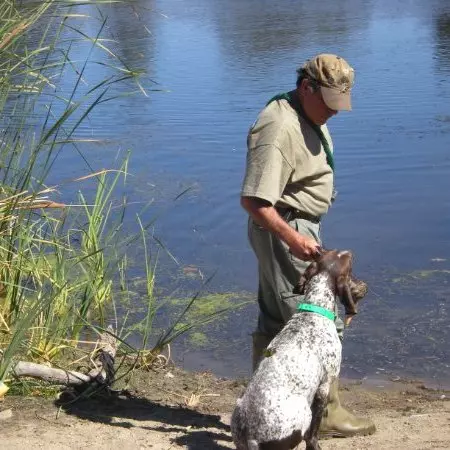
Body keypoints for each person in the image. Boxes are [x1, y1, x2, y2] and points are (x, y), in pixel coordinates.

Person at [240, 53, 376, 438]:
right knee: (322, 319)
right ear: (306, 87)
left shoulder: (306, 112)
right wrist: (294, 238)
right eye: (329, 103)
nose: (334, 112)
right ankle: (326, 414)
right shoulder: (278, 127)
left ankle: (260, 407)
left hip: (291, 227)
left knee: (276, 318)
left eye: (339, 103)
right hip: (285, 229)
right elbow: (254, 201)